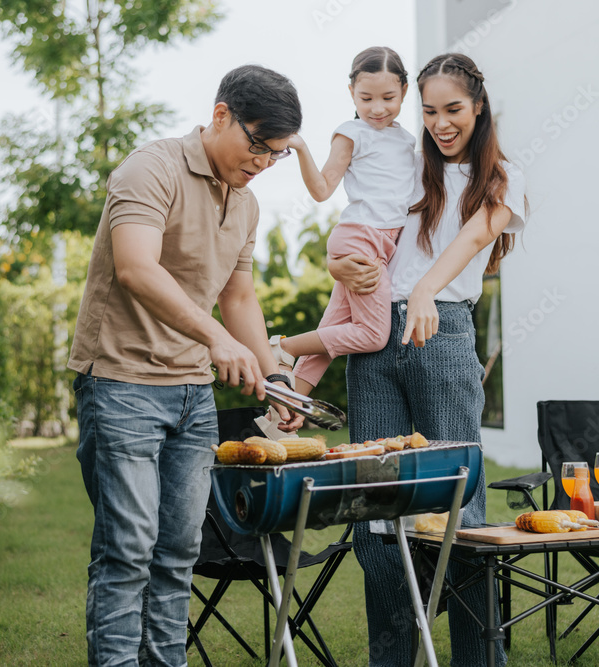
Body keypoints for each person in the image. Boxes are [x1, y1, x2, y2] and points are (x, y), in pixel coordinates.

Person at [66, 64, 305, 667]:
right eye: (258, 146)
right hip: (121, 384)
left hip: (192, 394)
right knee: (127, 551)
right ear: (221, 114)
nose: (263, 163)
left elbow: (240, 297)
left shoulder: (245, 203)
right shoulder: (152, 169)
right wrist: (216, 340)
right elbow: (137, 268)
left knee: (177, 554)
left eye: (276, 154)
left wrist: (273, 374)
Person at [331, 53, 526, 666]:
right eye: (430, 111)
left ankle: (474, 660)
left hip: (441, 334)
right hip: (372, 337)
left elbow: (472, 239)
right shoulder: (407, 167)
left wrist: (423, 291)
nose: (440, 124)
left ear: (479, 107)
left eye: (453, 110)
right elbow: (362, 227)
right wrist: (338, 263)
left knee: (457, 512)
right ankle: (392, 659)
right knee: (378, 509)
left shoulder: (502, 178)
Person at [270, 46, 416, 396]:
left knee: (331, 332)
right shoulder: (351, 132)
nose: (377, 108)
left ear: (405, 92)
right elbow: (322, 190)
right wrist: (303, 149)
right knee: (371, 335)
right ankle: (281, 348)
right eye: (366, 98)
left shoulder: (407, 140)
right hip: (362, 239)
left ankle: (287, 407)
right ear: (352, 92)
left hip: (381, 242)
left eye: (388, 97)